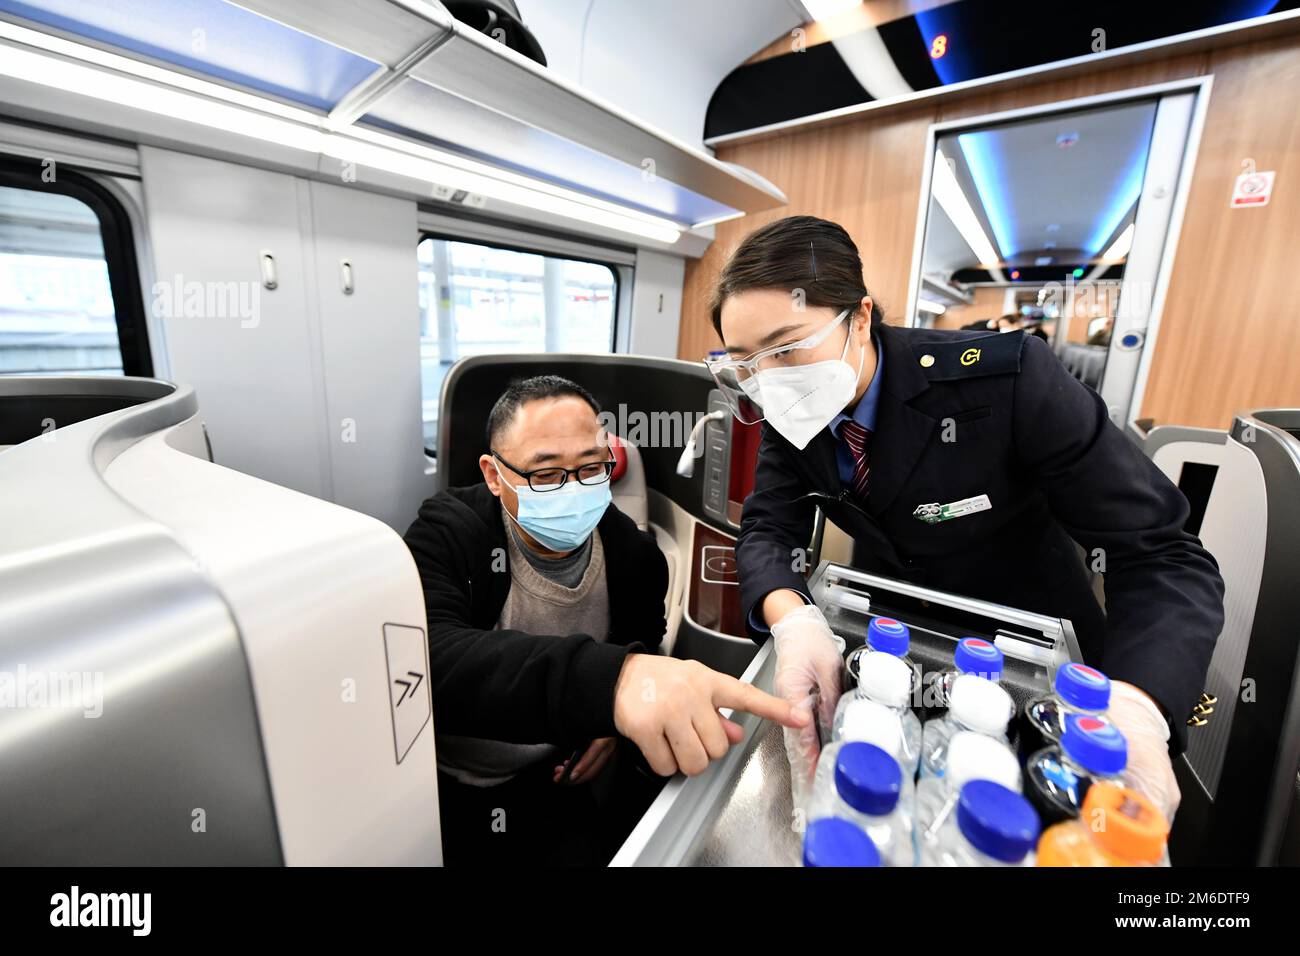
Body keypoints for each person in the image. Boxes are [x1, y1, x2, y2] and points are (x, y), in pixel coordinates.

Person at [704, 215, 1225, 822]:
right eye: (745, 363)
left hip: (1037, 656)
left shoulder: (1007, 380)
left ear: (862, 318)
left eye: (789, 346)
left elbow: (1161, 553)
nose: (769, 379)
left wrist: (1139, 706)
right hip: (894, 648)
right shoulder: (788, 407)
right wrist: (790, 620)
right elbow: (769, 526)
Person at [404, 375, 806, 864]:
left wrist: (608, 726)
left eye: (591, 468)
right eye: (546, 475)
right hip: (450, 778)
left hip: (559, 770)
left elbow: (642, 641)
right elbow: (432, 661)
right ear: (494, 475)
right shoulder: (450, 532)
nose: (571, 490)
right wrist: (610, 685)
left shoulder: (635, 556)